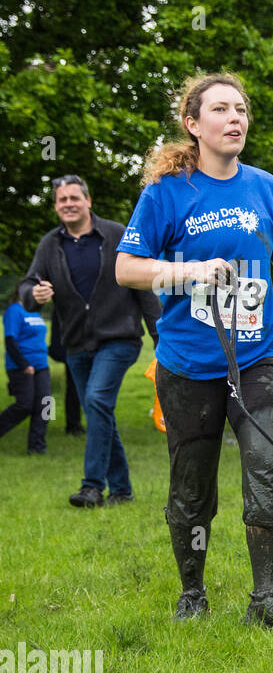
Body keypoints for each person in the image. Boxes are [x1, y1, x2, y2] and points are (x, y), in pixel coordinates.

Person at [115, 72, 273, 628]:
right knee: (192, 486)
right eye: (221, 109)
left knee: (268, 470)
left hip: (259, 358)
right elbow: (127, 268)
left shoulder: (265, 188)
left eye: (241, 109)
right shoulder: (165, 193)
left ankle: (266, 600)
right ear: (193, 125)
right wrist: (188, 271)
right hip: (188, 365)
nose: (235, 118)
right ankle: (192, 594)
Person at [19, 174, 161, 507]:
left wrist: (160, 339)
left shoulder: (117, 234)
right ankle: (122, 491)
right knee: (99, 412)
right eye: (61, 200)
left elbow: (145, 286)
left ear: (88, 201)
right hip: (75, 344)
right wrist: (34, 294)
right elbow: (26, 287)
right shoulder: (49, 245)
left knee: (97, 400)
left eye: (73, 198)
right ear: (56, 206)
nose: (68, 204)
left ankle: (92, 486)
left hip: (119, 338)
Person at [0, 291, 50, 454]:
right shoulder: (14, 311)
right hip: (21, 366)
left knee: (47, 405)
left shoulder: (35, 311)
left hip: (42, 365)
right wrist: (24, 365)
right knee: (24, 405)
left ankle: (37, 447)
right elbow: (10, 340)